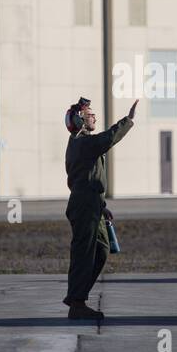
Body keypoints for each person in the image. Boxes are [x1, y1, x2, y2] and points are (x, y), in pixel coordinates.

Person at [63, 96, 137, 320]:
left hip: (92, 203)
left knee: (102, 250)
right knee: (84, 254)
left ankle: (78, 297)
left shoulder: (83, 143)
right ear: (79, 120)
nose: (94, 116)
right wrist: (128, 120)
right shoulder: (83, 143)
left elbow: (88, 177)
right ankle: (77, 303)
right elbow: (109, 138)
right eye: (89, 114)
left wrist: (102, 205)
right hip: (84, 205)